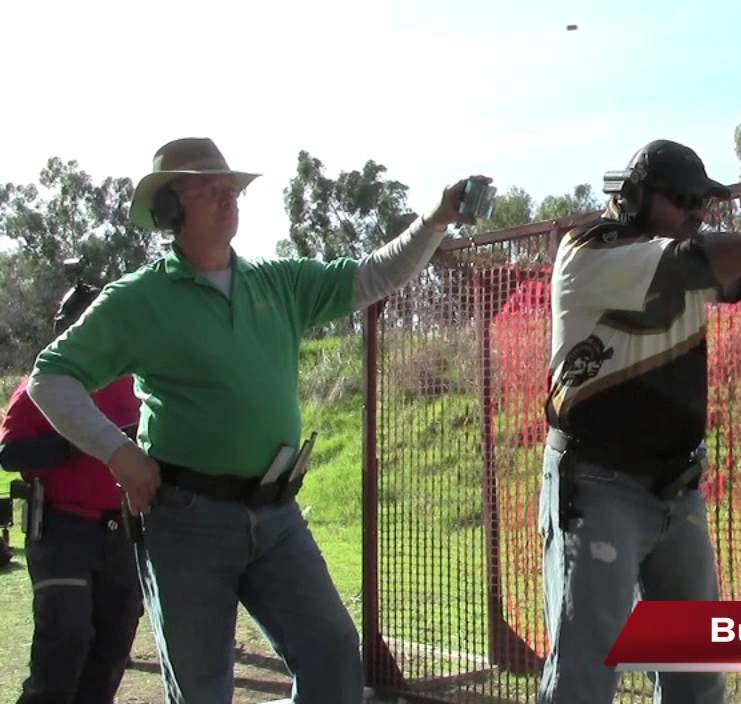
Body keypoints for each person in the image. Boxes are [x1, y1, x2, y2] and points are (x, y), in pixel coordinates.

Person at [25, 137, 489, 703]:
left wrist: (436, 219)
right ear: (171, 210)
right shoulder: (137, 301)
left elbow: (373, 276)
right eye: (210, 191)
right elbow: (51, 376)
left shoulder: (279, 282)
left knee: (333, 661)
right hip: (186, 521)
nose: (229, 199)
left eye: (232, 189)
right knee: (202, 692)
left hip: (277, 518)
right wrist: (118, 453)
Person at [539, 139, 741, 703]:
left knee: (699, 675)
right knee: (585, 676)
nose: (698, 211)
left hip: (676, 490)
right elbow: (712, 259)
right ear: (639, 199)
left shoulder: (681, 256)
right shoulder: (592, 251)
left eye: (704, 201)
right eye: (685, 199)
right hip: (599, 486)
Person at [0, 278, 143, 704]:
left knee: (112, 650)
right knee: (65, 641)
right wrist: (85, 439)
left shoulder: (133, 384)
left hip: (123, 533)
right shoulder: (43, 384)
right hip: (64, 530)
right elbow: (10, 453)